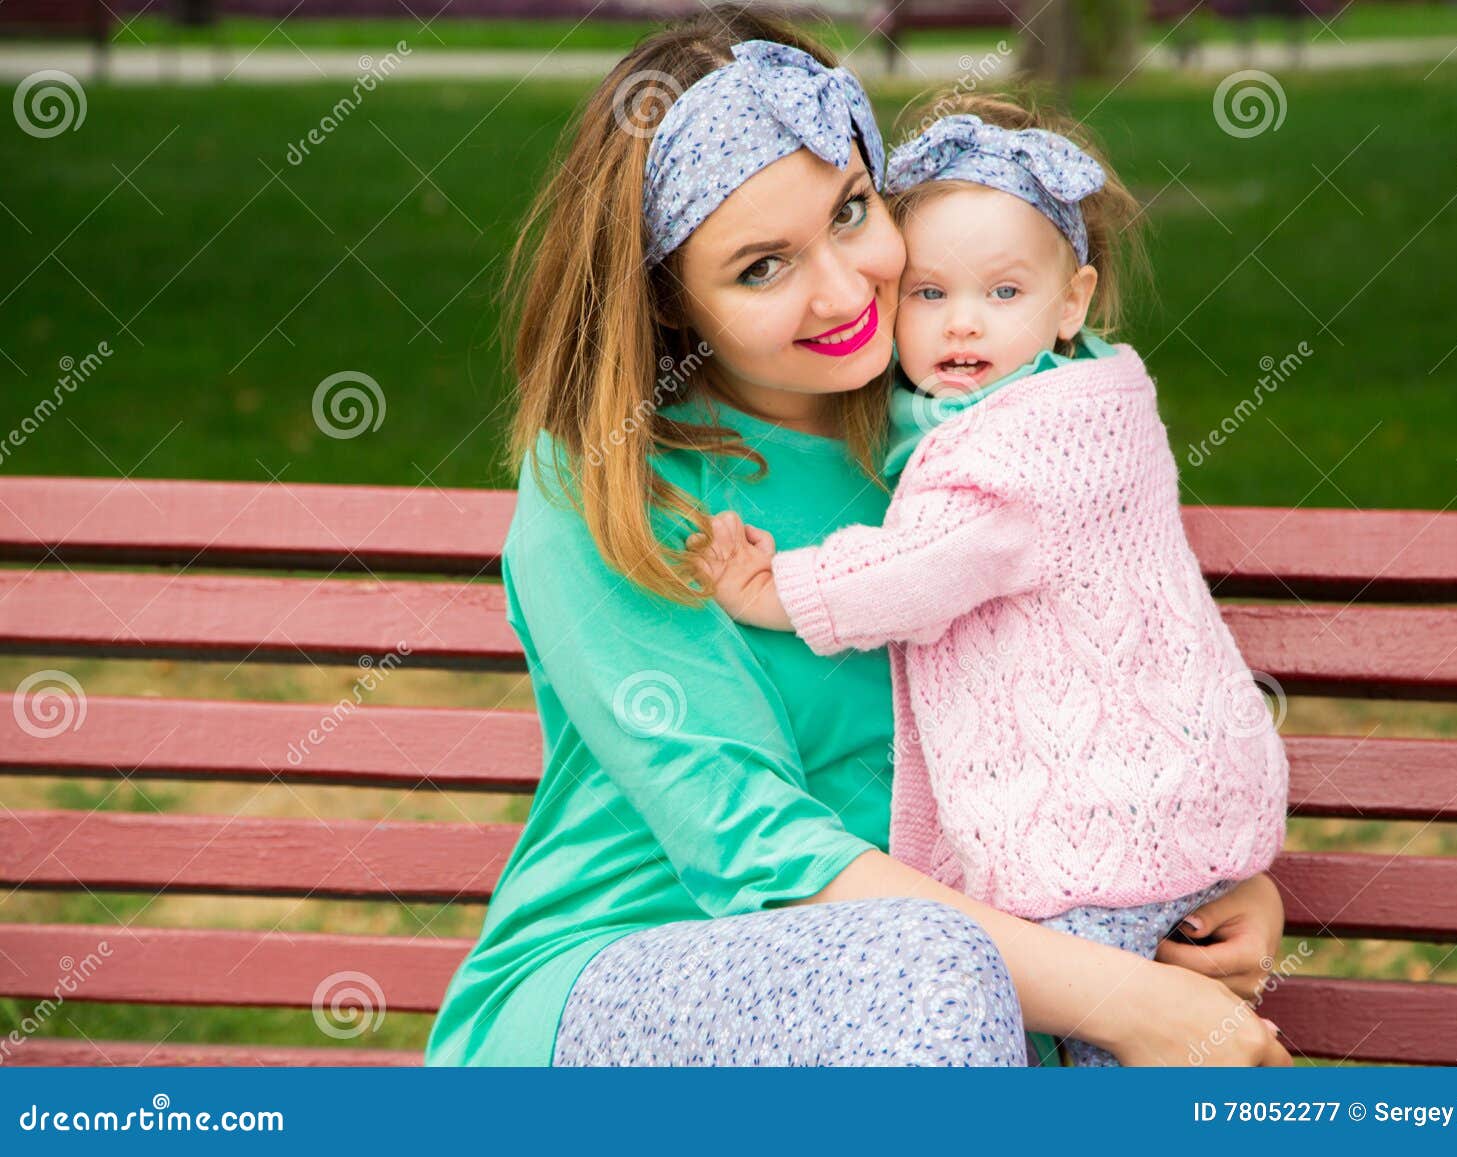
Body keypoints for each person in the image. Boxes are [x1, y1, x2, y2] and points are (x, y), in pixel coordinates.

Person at [424, 5, 1291, 1068]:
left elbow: (1112, 683)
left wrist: (1205, 886)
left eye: (849, 211)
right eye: (759, 267)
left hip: (941, 1005)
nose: (843, 291)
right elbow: (757, 849)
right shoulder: (606, 481)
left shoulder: (978, 428)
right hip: (618, 994)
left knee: (940, 979)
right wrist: (1122, 998)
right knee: (923, 965)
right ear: (671, 308)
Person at [688, 95, 1291, 1068]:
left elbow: (926, 564)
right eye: (929, 294)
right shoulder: (1093, 395)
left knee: (1115, 1060)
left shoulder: (1017, 449)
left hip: (1092, 846)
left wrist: (779, 591)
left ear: (1071, 301)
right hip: (1170, 823)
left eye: (1002, 294)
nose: (963, 322)